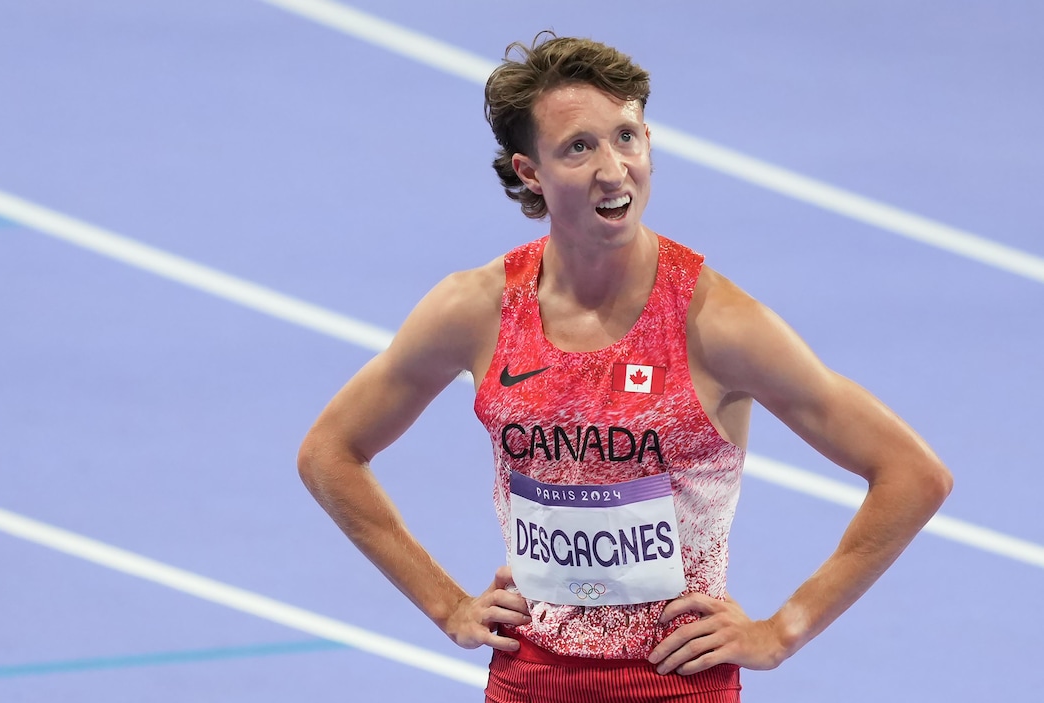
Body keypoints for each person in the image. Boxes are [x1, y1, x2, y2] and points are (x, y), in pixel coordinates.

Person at [297, 32, 952, 703]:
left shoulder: (717, 324)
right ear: (530, 171)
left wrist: (783, 628)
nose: (615, 169)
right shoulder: (477, 309)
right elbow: (329, 451)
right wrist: (446, 604)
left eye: (628, 137)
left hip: (678, 685)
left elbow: (912, 473)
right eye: (579, 147)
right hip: (528, 680)